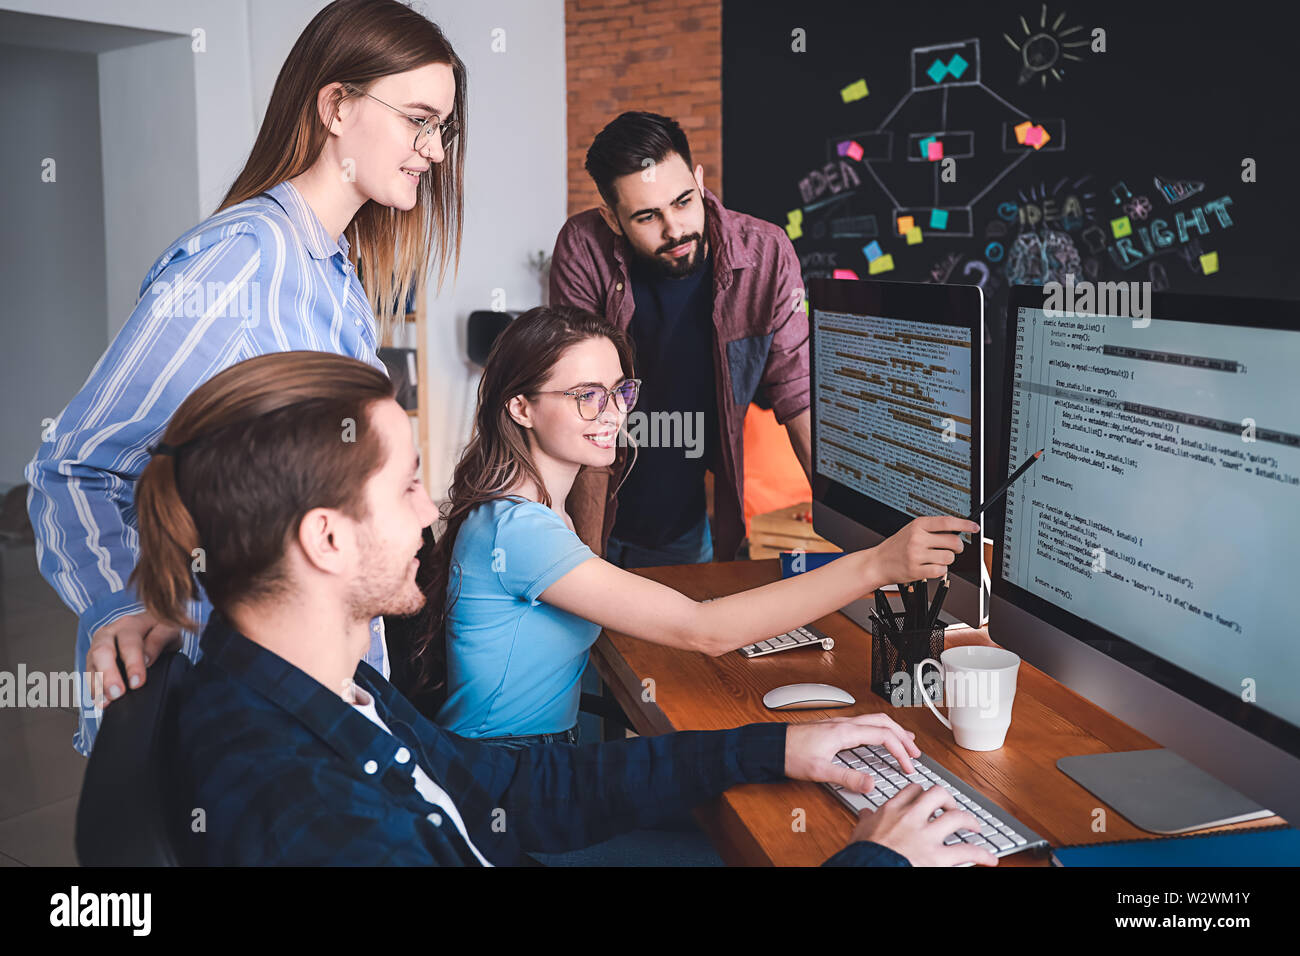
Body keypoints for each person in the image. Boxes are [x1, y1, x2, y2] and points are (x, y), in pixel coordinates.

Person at [129, 349, 995, 867]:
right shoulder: (308, 812)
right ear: (325, 540)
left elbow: (507, 785)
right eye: (407, 488)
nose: (433, 511)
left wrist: (775, 747)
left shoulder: (327, 687)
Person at [24, 0, 467, 754]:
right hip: (232, 709)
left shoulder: (336, 274)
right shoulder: (243, 261)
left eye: (443, 128)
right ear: (336, 104)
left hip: (310, 696)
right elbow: (77, 465)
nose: (433, 149)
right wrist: (113, 607)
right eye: (418, 119)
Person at [403, 305, 977, 750]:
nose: (611, 414)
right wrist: (879, 563)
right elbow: (704, 630)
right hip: (506, 778)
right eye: (585, 397)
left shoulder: (532, 505)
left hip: (529, 757)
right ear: (520, 408)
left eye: (619, 391)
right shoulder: (519, 529)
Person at [549, 111, 811, 569]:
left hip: (684, 530)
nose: (674, 230)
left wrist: (866, 546)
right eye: (647, 216)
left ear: (699, 180)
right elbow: (583, 405)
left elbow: (800, 396)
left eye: (684, 201)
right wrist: (586, 567)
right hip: (580, 518)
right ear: (612, 218)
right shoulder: (584, 248)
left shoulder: (766, 255)